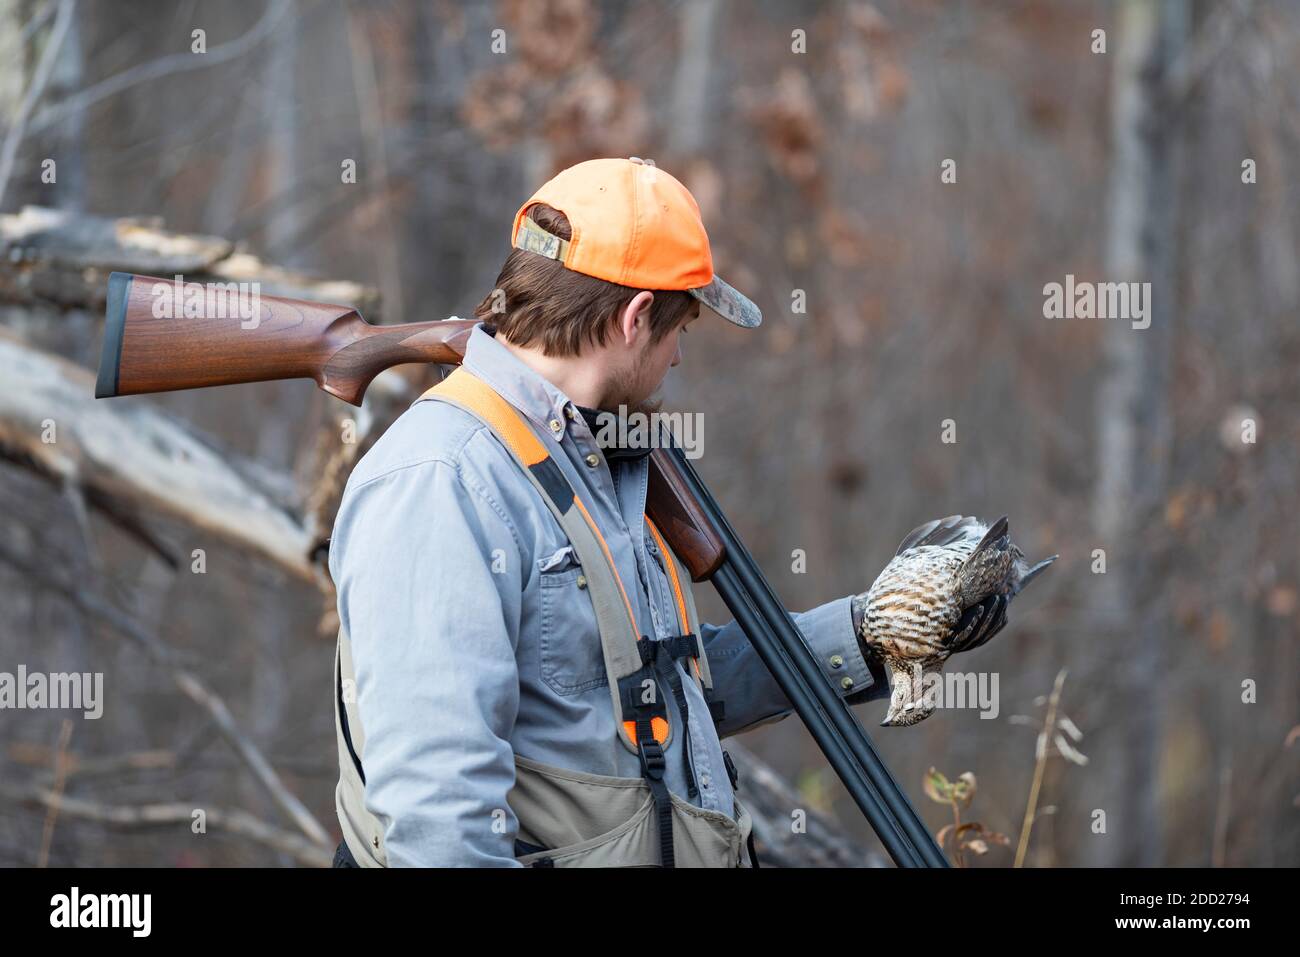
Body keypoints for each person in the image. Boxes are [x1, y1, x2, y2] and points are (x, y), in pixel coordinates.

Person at [329, 157, 903, 867]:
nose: (678, 361)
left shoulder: (600, 460)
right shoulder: (443, 478)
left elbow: (667, 689)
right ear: (635, 319)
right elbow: (438, 817)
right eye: (680, 331)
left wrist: (872, 630)